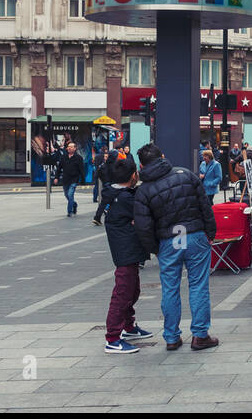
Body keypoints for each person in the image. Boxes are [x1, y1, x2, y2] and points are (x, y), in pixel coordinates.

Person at [133, 141, 219, 351]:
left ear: (142, 166)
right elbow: (205, 207)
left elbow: (143, 227)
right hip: (196, 236)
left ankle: (171, 336)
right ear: (162, 157)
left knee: (170, 288)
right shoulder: (186, 175)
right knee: (198, 285)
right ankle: (199, 335)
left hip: (168, 241)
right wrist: (210, 233)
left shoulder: (144, 191)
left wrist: (155, 248)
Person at [102, 156, 153, 354]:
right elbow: (144, 216)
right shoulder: (125, 199)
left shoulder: (116, 193)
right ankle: (113, 338)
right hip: (125, 251)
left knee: (133, 290)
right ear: (133, 175)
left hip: (127, 250)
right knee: (123, 293)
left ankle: (128, 326)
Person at [57, 141, 86, 218]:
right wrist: (56, 177)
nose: (69, 148)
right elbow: (59, 168)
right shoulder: (64, 157)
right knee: (67, 195)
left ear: (75, 148)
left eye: (71, 147)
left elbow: (82, 169)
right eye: (68, 147)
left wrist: (83, 180)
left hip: (74, 179)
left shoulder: (79, 158)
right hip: (65, 179)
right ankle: (74, 204)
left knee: (70, 194)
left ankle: (70, 211)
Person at [93, 149, 120, 226]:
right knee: (116, 203)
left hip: (106, 186)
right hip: (114, 187)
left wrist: (104, 181)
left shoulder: (103, 165)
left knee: (103, 204)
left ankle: (97, 218)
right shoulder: (116, 165)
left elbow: (97, 175)